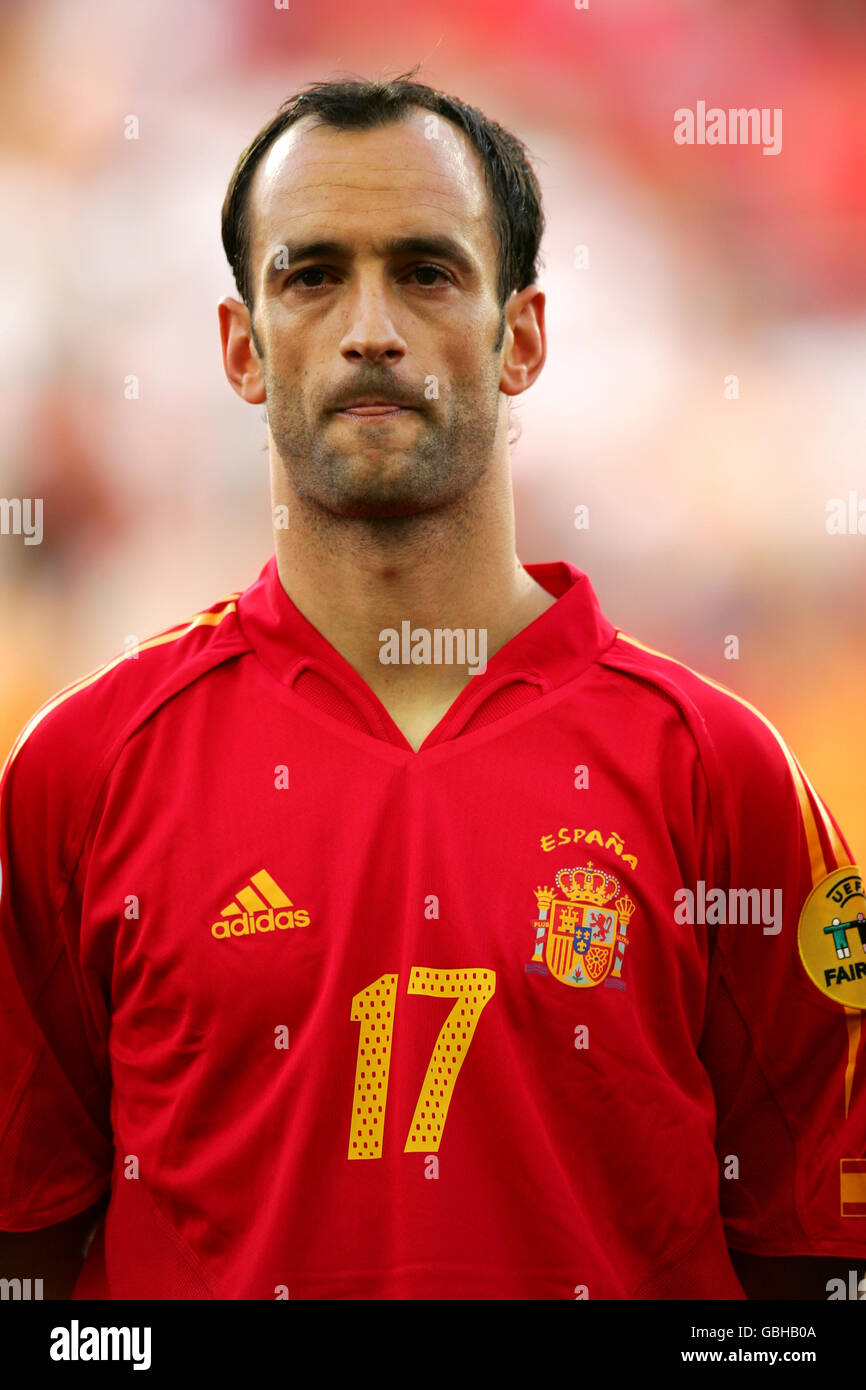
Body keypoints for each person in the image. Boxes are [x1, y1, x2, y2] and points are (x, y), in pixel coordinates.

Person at [0, 68, 863, 1301]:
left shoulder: (720, 775)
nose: (369, 328)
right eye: (311, 276)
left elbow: (818, 1263)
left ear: (522, 337)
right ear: (241, 349)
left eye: (426, 270)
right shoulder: (78, 774)